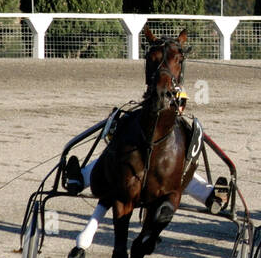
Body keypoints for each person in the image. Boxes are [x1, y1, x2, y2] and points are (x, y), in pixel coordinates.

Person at [63, 86, 231, 214]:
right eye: (175, 103)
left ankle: (211, 197)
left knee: (183, 175)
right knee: (114, 160)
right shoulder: (143, 120)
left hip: (161, 176)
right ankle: (80, 178)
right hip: (140, 170)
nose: (179, 108)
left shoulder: (183, 127)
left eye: (182, 103)